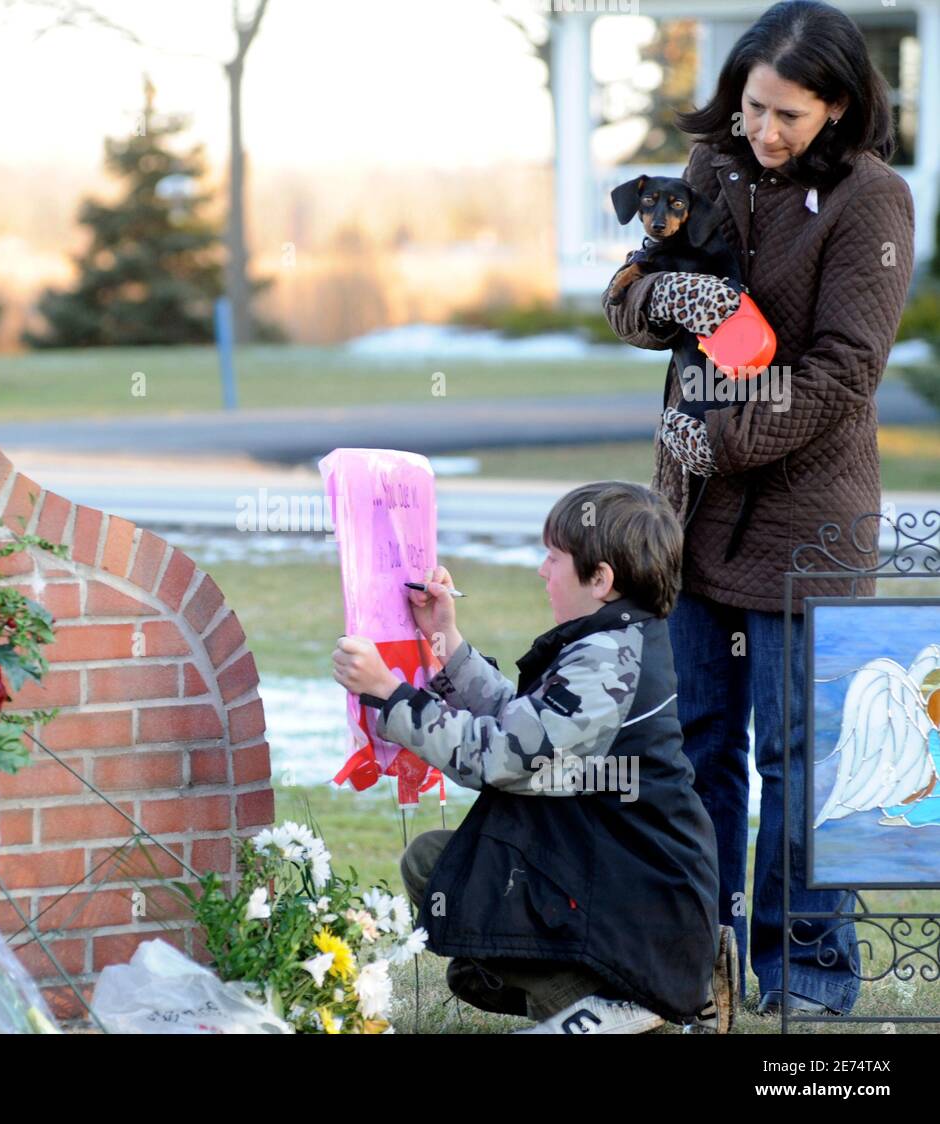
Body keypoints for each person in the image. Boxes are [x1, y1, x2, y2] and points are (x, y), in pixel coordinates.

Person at [601, 0, 915, 1017]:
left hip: (804, 526)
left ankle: (806, 972)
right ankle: (698, 956)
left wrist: (718, 433)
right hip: (691, 524)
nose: (765, 132)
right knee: (694, 741)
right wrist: (666, 303)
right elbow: (628, 290)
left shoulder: (873, 201)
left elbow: (843, 373)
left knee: (802, 760)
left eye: (788, 114)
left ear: (836, 107)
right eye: (752, 108)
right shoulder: (718, 169)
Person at [332, 481, 730, 1034]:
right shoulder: (616, 638)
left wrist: (391, 696)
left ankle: (628, 1008)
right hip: (630, 888)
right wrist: (442, 637)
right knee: (440, 864)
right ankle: (618, 998)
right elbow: (521, 722)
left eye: (554, 557)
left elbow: (502, 758)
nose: (543, 571)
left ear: (601, 579)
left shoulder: (610, 660)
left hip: (640, 902)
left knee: (448, 870)